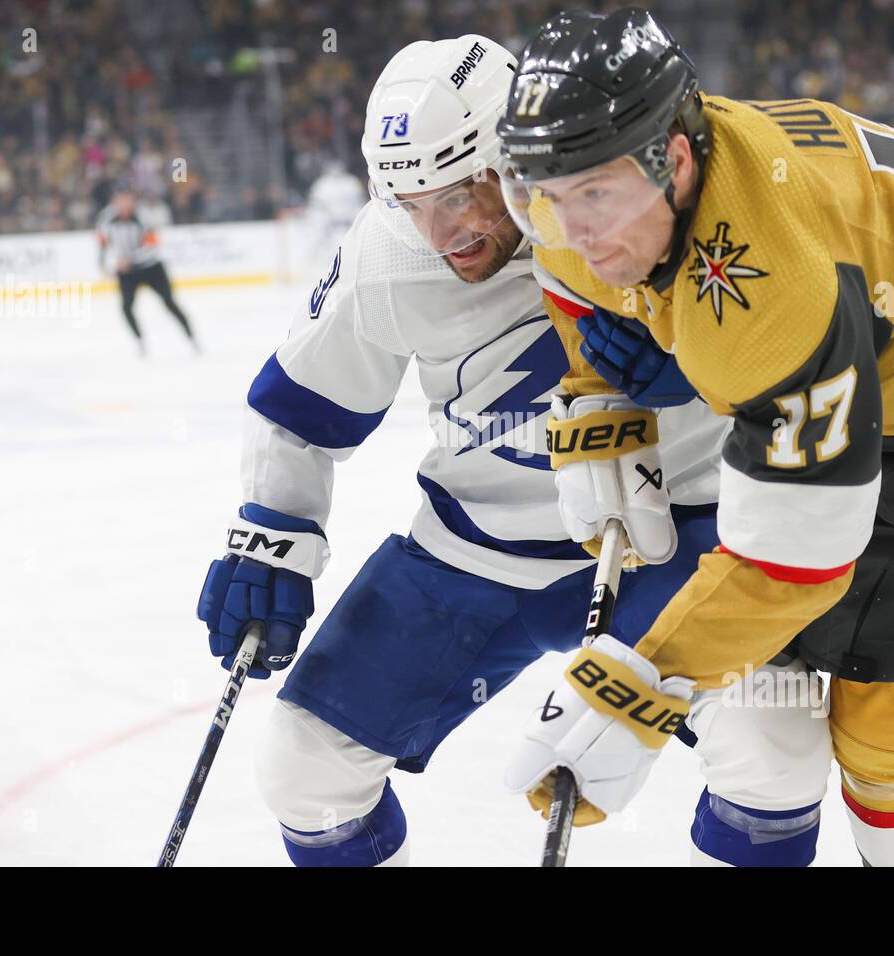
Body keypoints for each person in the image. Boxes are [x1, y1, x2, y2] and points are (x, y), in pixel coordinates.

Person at [496, 7, 894, 867]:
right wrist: (598, 398)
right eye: (547, 197)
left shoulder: (773, 283)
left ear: (675, 160)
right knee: (884, 730)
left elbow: (793, 559)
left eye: (597, 195)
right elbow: (568, 276)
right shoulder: (590, 207)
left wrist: (638, 686)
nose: (576, 232)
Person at [194, 35, 833, 867]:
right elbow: (303, 407)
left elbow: (814, 328)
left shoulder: (649, 193)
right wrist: (273, 533)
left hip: (672, 533)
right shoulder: (388, 257)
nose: (439, 231)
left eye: (461, 191)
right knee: (305, 769)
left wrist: (712, 359)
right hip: (477, 549)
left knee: (774, 742)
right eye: (408, 199)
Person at [95, 185, 198, 355]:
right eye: (120, 200)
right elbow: (102, 244)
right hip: (126, 272)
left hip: (151, 268)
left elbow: (153, 246)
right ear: (115, 201)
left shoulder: (144, 217)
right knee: (126, 307)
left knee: (169, 303)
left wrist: (130, 260)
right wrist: (104, 265)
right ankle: (140, 341)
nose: (124, 204)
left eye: (127, 199)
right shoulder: (106, 219)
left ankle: (191, 337)